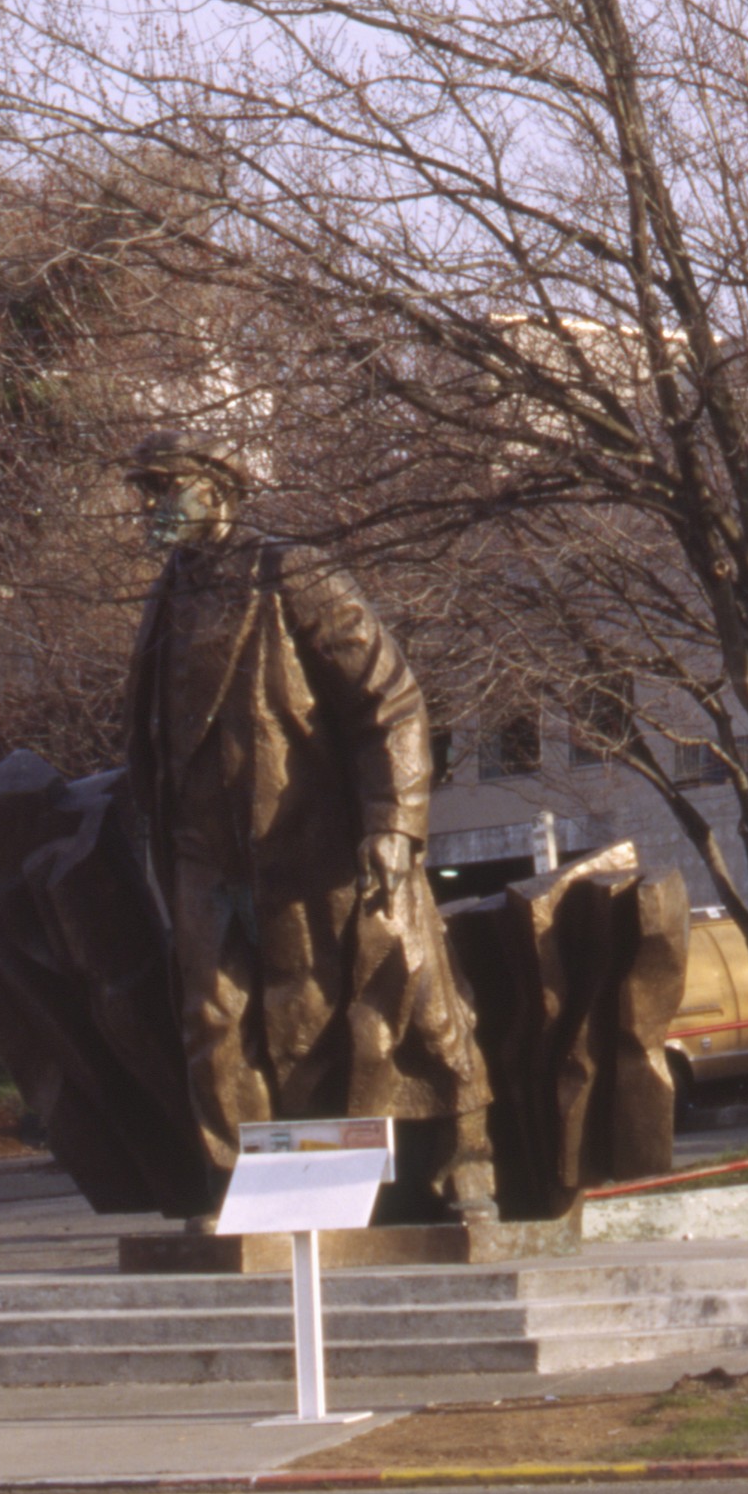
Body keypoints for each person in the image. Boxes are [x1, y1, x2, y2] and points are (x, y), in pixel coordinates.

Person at [119, 432, 497, 1221]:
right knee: (211, 1017)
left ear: (217, 486)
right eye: (143, 490)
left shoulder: (287, 570)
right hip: (201, 847)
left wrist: (393, 819)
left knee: (389, 998)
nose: (150, 506)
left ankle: (467, 1157)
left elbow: (387, 698)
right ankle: (240, 1187)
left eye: (165, 486)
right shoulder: (168, 592)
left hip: (309, 842)